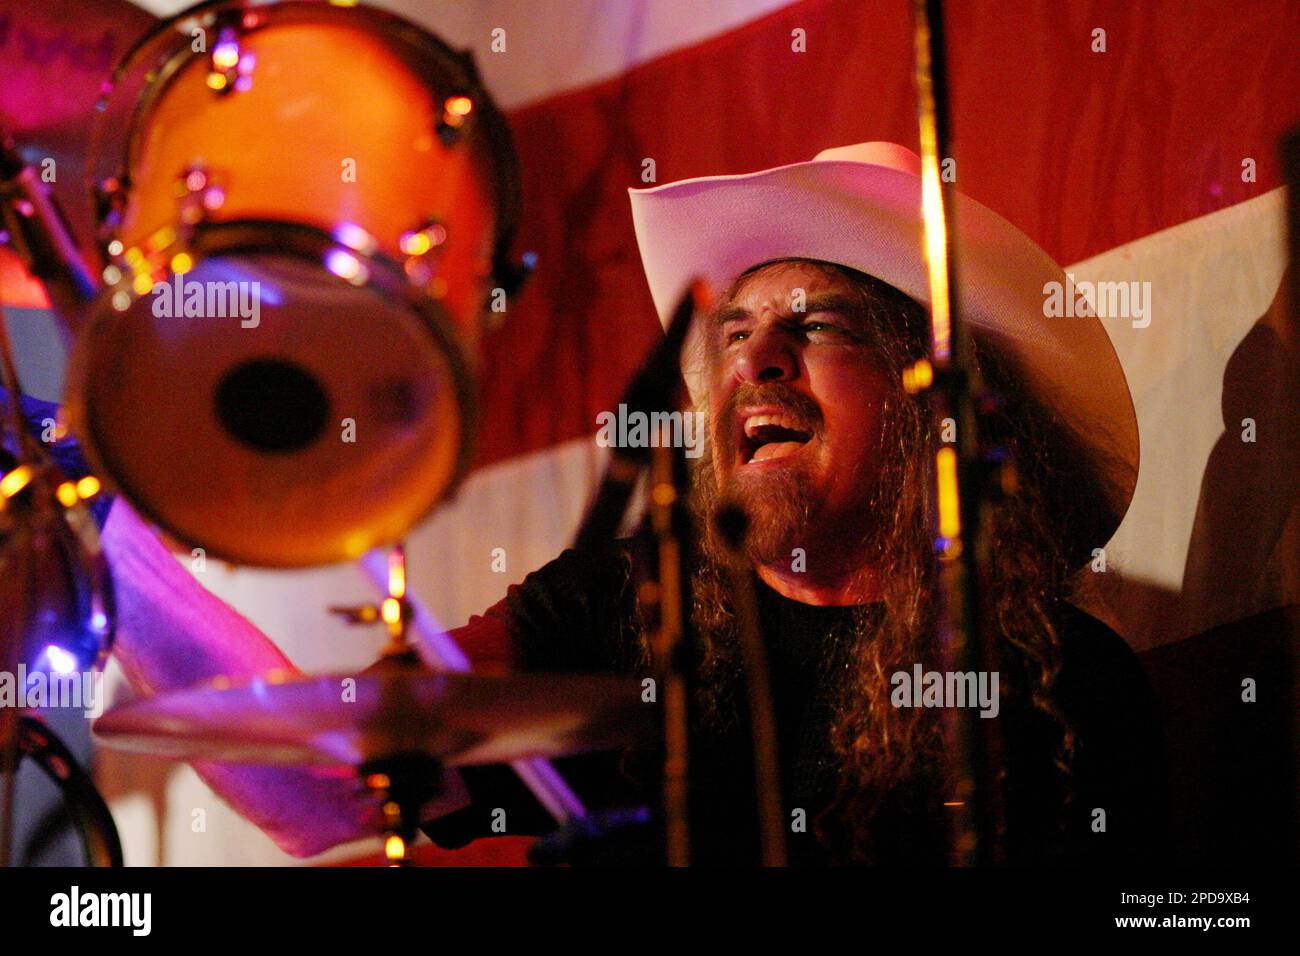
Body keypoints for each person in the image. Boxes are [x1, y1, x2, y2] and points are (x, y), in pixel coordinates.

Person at [50, 142, 1167, 864]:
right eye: (732, 332)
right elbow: (319, 786)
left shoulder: (1065, 683)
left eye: (818, 323)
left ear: (935, 399)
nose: (757, 359)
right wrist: (98, 523)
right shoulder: (622, 608)